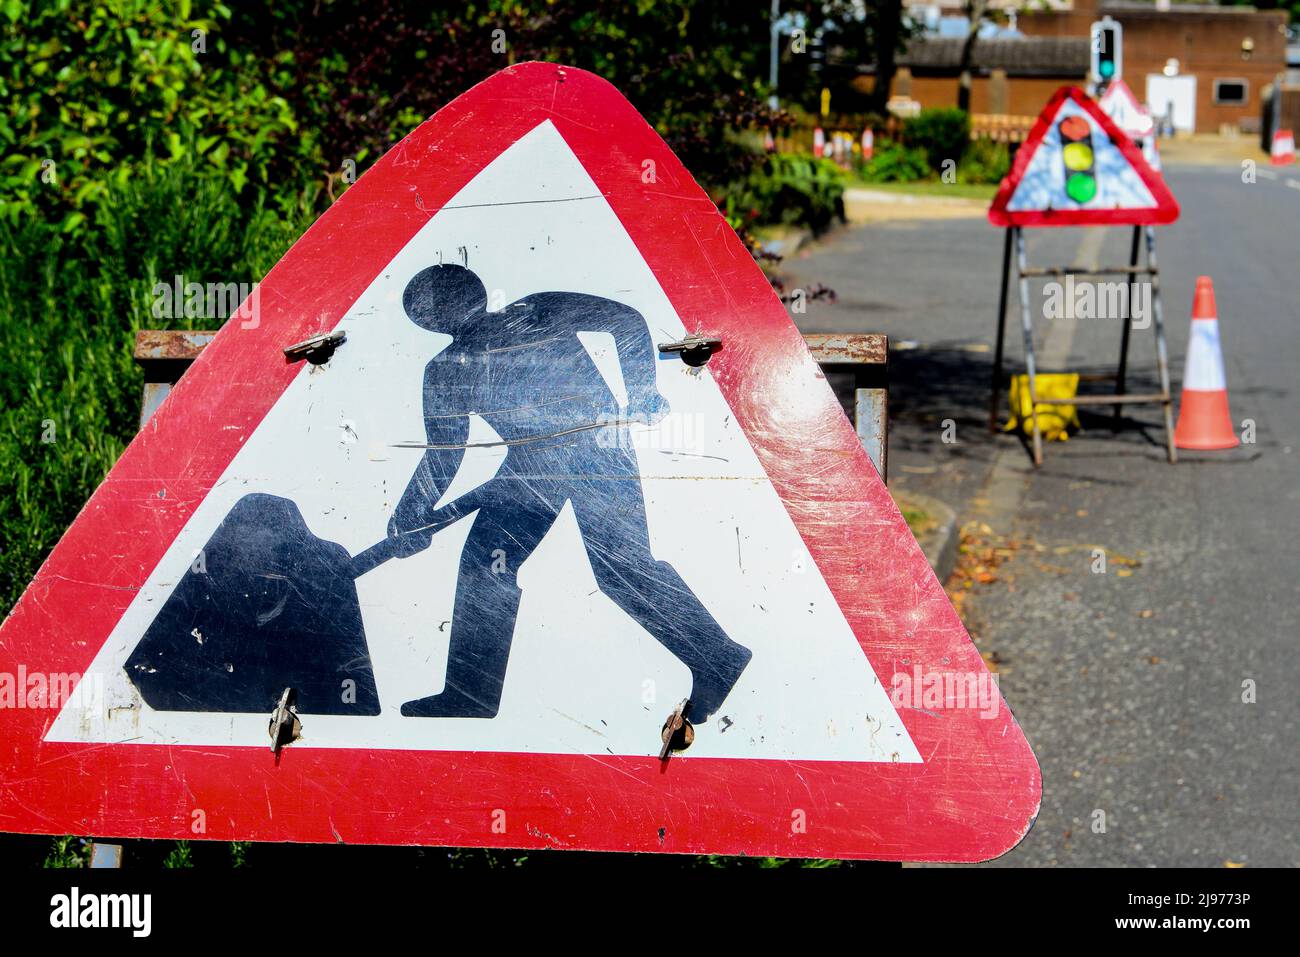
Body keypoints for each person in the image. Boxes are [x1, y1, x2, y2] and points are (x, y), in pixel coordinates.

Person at [389, 265, 751, 722]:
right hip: (528, 471)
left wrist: (640, 391)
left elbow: (626, 320)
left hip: (595, 448)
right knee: (485, 564)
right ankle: (470, 692)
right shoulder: (445, 371)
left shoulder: (537, 311)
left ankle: (717, 656)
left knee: (620, 567)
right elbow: (443, 453)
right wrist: (411, 512)